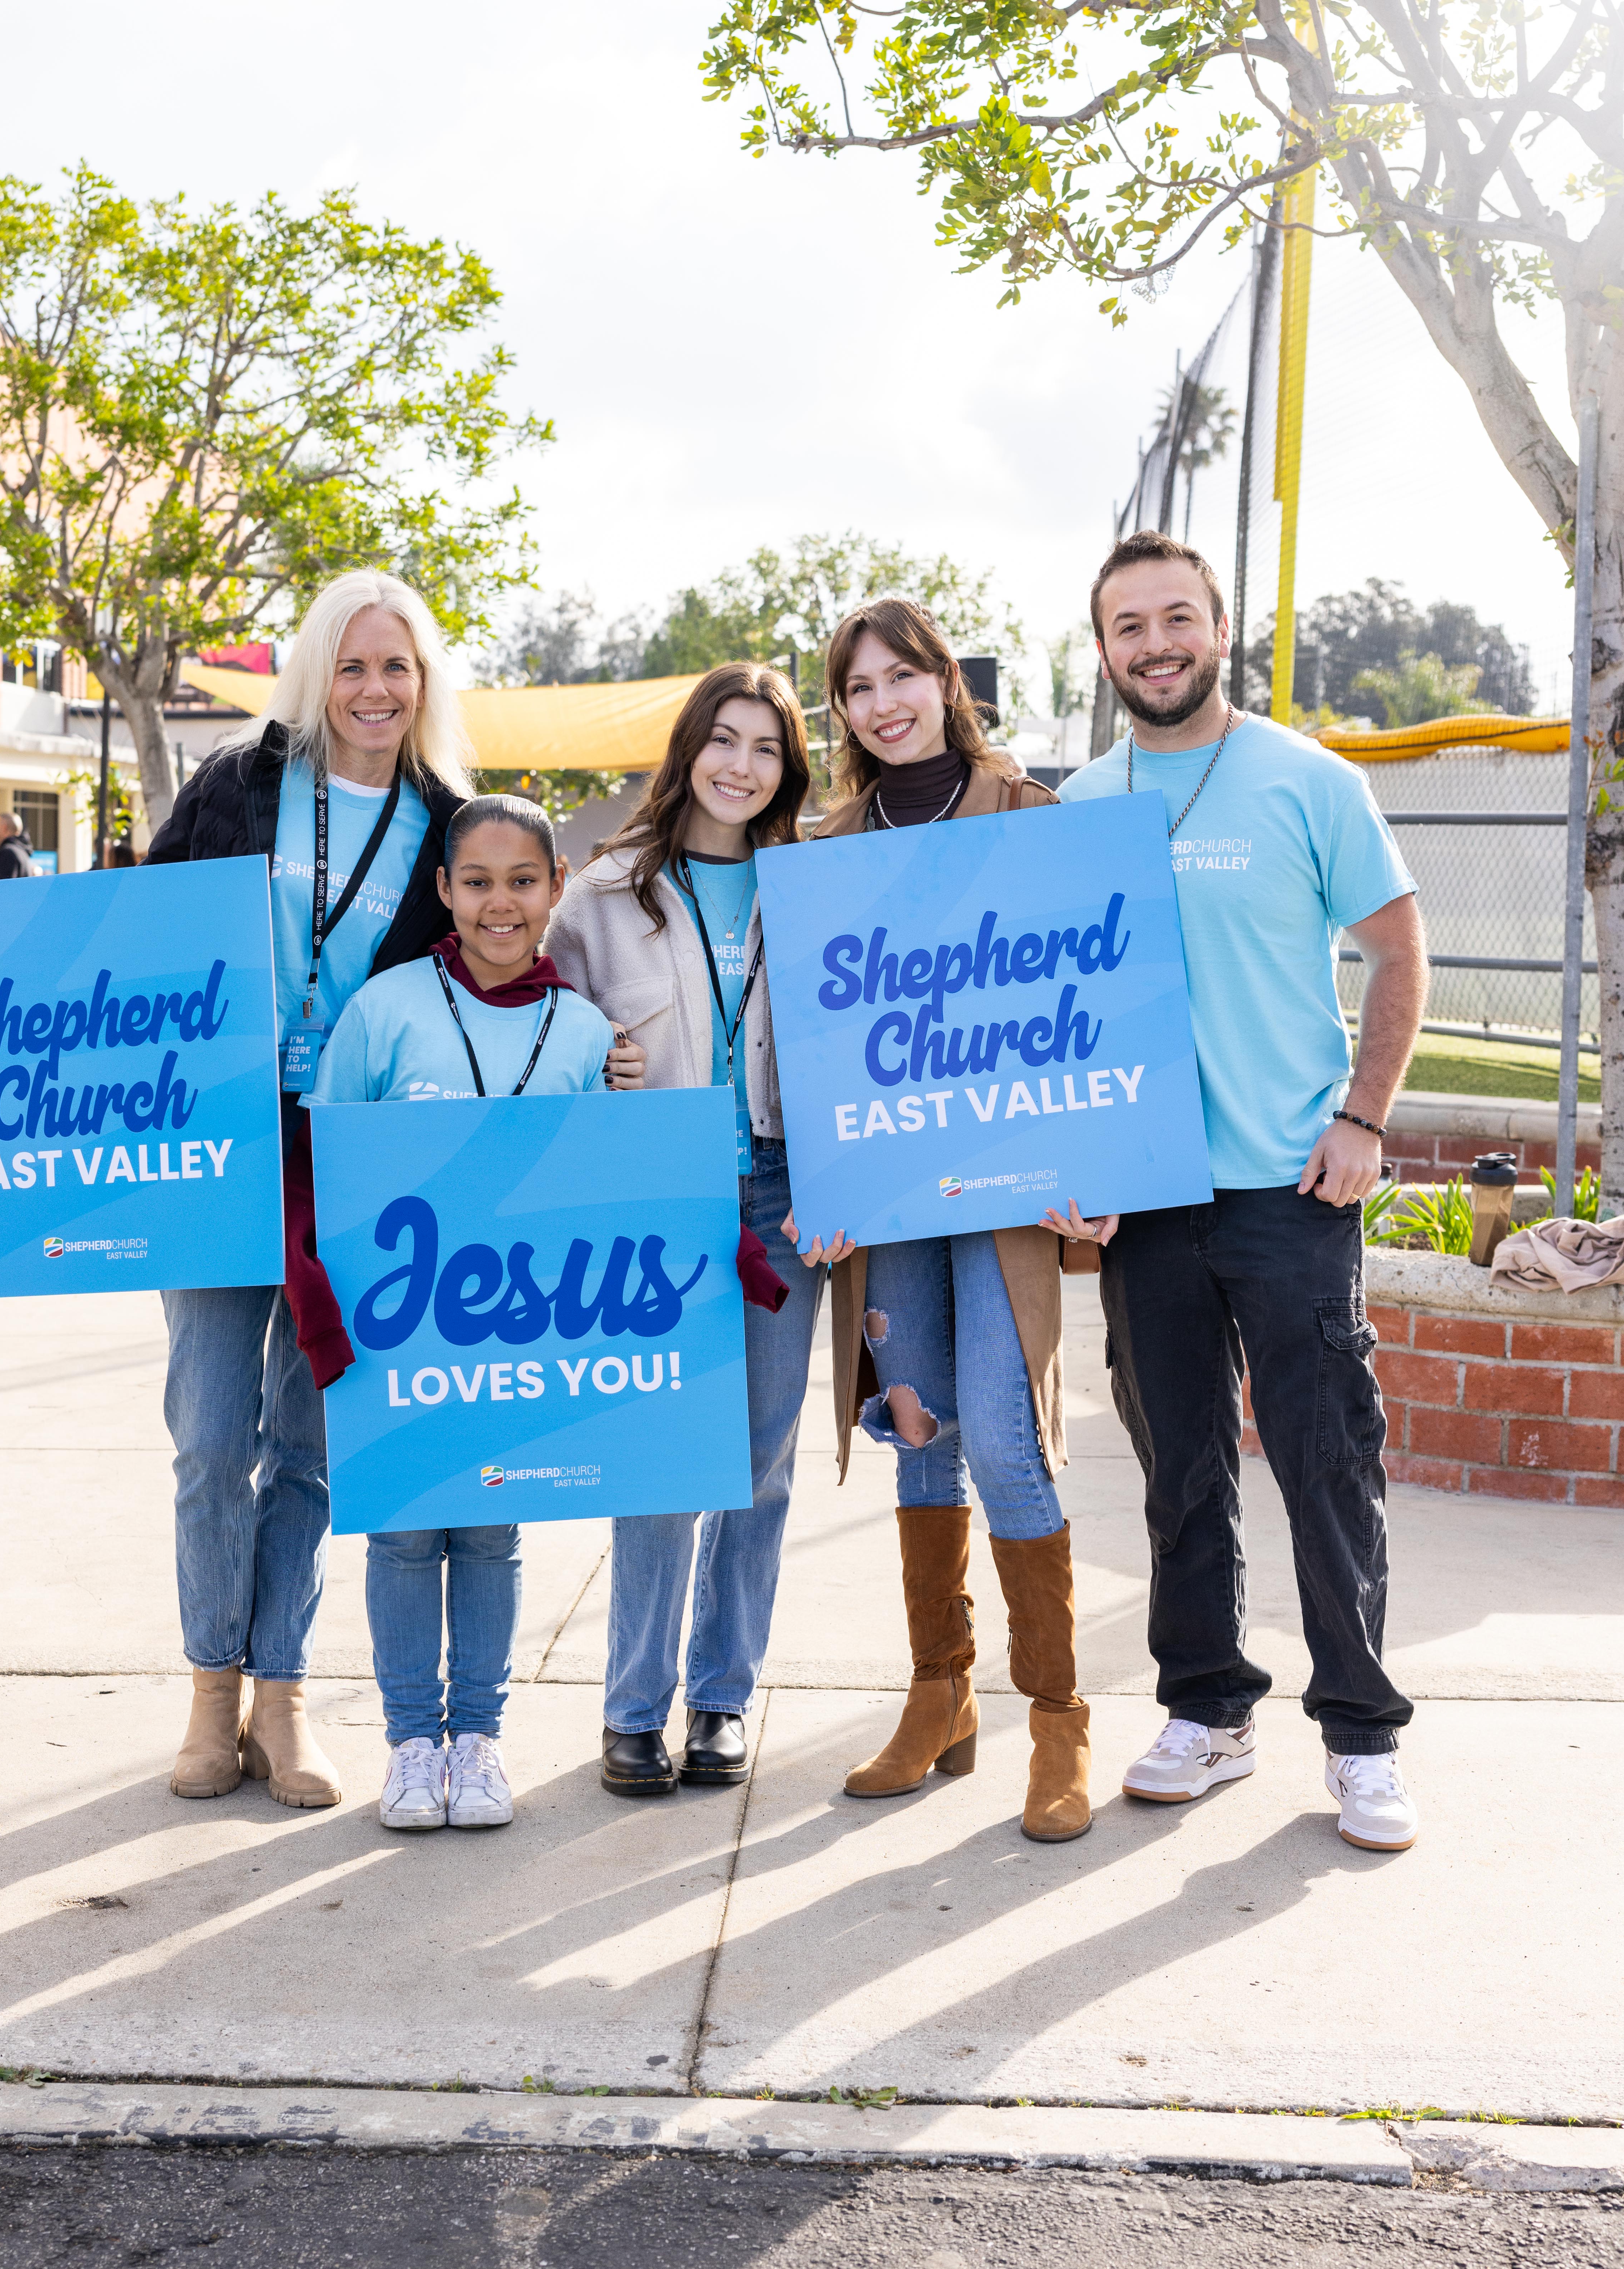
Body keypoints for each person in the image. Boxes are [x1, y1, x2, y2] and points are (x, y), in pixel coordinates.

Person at [0, 569, 477, 1812]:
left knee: (306, 1449)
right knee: (211, 1439)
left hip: (357, 1164)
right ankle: (212, 1691)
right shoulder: (241, 784)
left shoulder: (446, 820)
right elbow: (119, 930)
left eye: (396, 666)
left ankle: (282, 1694)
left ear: (423, 681)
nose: (374, 689)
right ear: (318, 674)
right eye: (353, 665)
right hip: (211, 1149)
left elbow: (489, 971)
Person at [1055, 528, 1427, 1854]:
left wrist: (1362, 1117)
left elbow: (1398, 953)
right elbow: (1056, 1006)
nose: (1154, 645)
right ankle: (1207, 1712)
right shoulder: (1078, 803)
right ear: (1104, 651)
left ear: (1218, 630)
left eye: (1176, 618)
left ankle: (1362, 1738)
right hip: (1147, 1197)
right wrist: (1071, 1166)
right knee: (1179, 1470)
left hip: (1290, 1186)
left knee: (1326, 1464)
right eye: (1128, 626)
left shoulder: (1308, 780)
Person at [802, 599, 1113, 1844]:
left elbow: (1089, 1002)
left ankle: (1057, 1717)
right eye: (858, 687)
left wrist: (1092, 1168)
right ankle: (940, 1694)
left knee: (1005, 1433)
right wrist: (824, 1184)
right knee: (920, 1431)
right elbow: (814, 1039)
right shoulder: (828, 847)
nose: (883, 704)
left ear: (944, 682)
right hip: (888, 1192)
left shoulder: (1032, 818)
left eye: (901, 677)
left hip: (1006, 1187)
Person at [295, 796, 634, 1832]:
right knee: (403, 1534)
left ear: (556, 885)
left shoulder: (582, 1030)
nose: (500, 903)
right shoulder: (385, 1008)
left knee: (491, 1532)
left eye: (522, 881)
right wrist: (320, 1312)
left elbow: (605, 1187)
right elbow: (323, 1165)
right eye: (477, 881)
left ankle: (478, 1738)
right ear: (443, 888)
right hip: (396, 1332)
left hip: (515, 1335)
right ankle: (410, 1742)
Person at [548, 662, 831, 1799]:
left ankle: (722, 1697)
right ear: (687, 748)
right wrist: (593, 1063)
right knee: (662, 1456)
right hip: (654, 1203)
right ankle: (632, 1710)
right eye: (723, 739)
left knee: (760, 1458)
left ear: (788, 769)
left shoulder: (813, 884)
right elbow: (539, 1036)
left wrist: (841, 1183)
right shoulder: (603, 893)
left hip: (782, 1196)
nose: (740, 766)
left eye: (766, 747)